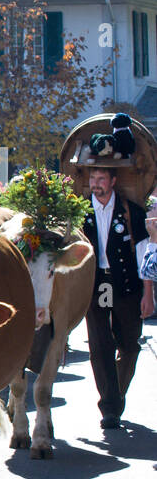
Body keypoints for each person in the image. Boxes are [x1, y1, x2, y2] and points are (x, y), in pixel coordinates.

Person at [81, 167, 153, 428]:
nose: (96, 184)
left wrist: (148, 294)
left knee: (130, 346)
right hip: (99, 284)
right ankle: (109, 407)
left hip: (127, 285)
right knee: (100, 346)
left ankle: (116, 394)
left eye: (101, 179)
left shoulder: (132, 212)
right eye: (92, 179)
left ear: (113, 181)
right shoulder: (81, 213)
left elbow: (145, 258)